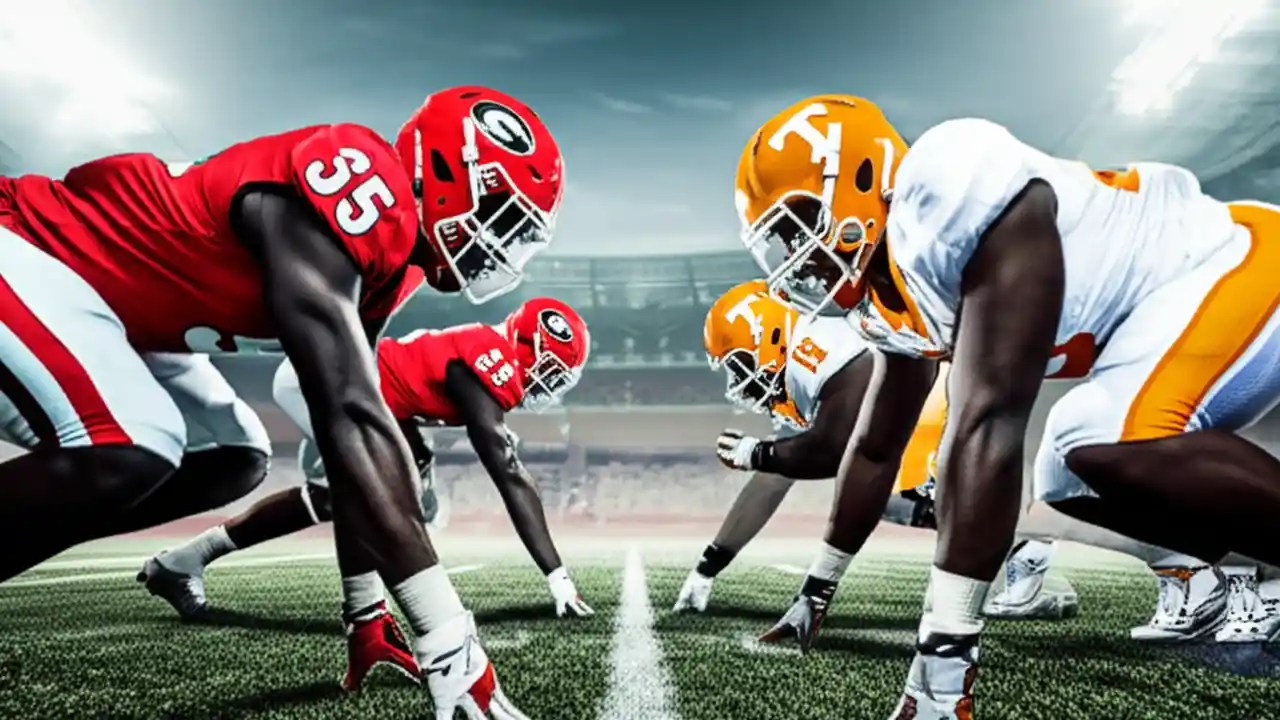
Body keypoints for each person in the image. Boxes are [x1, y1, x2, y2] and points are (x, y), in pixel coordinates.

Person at [0, 84, 562, 717]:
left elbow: (351, 435)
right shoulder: (361, 175)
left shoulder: (394, 264)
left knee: (236, 456)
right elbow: (353, 418)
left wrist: (366, 612)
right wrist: (448, 639)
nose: (499, 242)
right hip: (37, 247)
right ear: (444, 172)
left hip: (121, 314)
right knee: (136, 443)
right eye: (500, 214)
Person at [735, 93, 1280, 718]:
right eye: (779, 237)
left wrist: (943, 665)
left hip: (1235, 261)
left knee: (1101, 439)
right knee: (1064, 478)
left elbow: (988, 420)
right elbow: (875, 446)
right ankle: (1256, 571)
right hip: (1163, 314)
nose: (794, 250)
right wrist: (814, 594)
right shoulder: (890, 296)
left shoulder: (949, 186)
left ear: (859, 177)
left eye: (796, 221)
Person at [142, 297, 594, 688]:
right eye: (552, 372)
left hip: (355, 391)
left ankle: (182, 563)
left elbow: (409, 393)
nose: (548, 386)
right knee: (380, 498)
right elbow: (507, 469)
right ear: (528, 348)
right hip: (324, 380)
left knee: (339, 499)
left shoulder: (485, 350)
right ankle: (368, 624)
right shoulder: (490, 361)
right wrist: (557, 575)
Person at [674, 281, 1073, 651]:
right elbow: (774, 479)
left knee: (888, 490)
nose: (741, 382)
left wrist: (755, 452)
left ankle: (1027, 545)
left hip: (940, 397)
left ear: (766, 335)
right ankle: (1029, 551)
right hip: (935, 397)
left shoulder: (811, 349)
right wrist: (708, 566)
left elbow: (832, 448)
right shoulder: (802, 373)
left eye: (740, 365)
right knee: (886, 495)